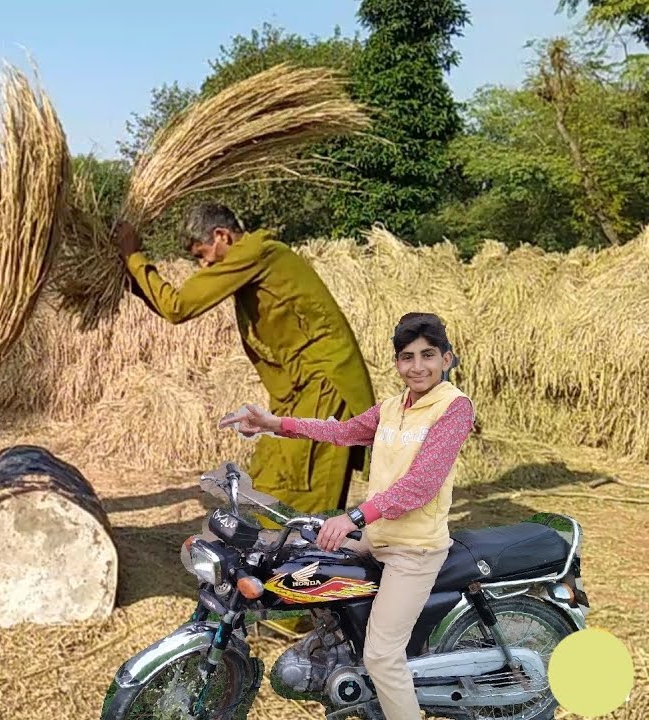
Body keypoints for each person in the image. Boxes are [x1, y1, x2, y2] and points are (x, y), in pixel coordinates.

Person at [236, 313, 474, 720]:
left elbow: (421, 484)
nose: (417, 366)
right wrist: (274, 423)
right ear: (397, 363)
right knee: (304, 557)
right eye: (407, 357)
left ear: (446, 359)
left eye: (428, 355)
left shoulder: (454, 408)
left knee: (382, 656)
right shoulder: (392, 407)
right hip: (378, 536)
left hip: (413, 550)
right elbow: (343, 432)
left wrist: (353, 518)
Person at [113, 204, 375, 517]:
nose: (203, 265)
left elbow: (177, 306)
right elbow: (174, 306)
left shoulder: (255, 253)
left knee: (300, 492)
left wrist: (133, 255)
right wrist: (133, 280)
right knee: (269, 478)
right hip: (299, 391)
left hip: (324, 388)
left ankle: (303, 549)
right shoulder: (256, 256)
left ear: (221, 236)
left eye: (202, 254)